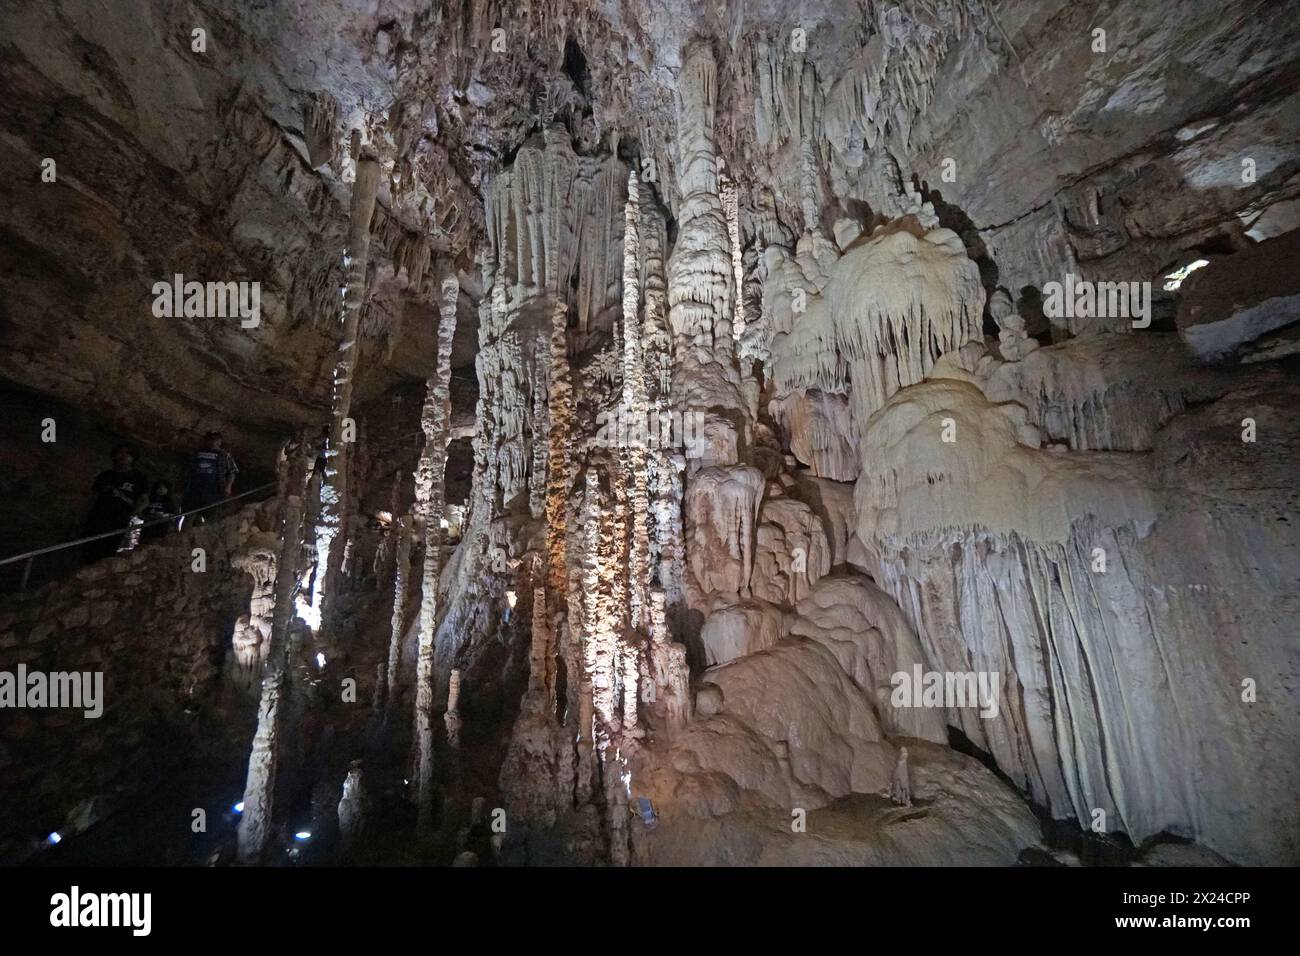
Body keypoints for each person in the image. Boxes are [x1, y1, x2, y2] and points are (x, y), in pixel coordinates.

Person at [82, 444, 148, 563]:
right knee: (89, 550)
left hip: (119, 519)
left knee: (109, 552)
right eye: (120, 452)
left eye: (128, 453)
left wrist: (134, 513)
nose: (123, 456)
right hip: (97, 517)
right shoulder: (105, 475)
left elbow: (144, 499)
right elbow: (93, 496)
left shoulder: (139, 477)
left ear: (133, 458)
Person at [183, 431, 238, 521]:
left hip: (214, 491)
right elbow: (188, 469)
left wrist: (228, 486)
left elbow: (232, 471)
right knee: (189, 515)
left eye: (216, 440)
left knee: (210, 515)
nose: (213, 442)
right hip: (194, 490)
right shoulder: (197, 453)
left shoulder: (224, 455)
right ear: (206, 440)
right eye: (211, 439)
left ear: (220, 442)